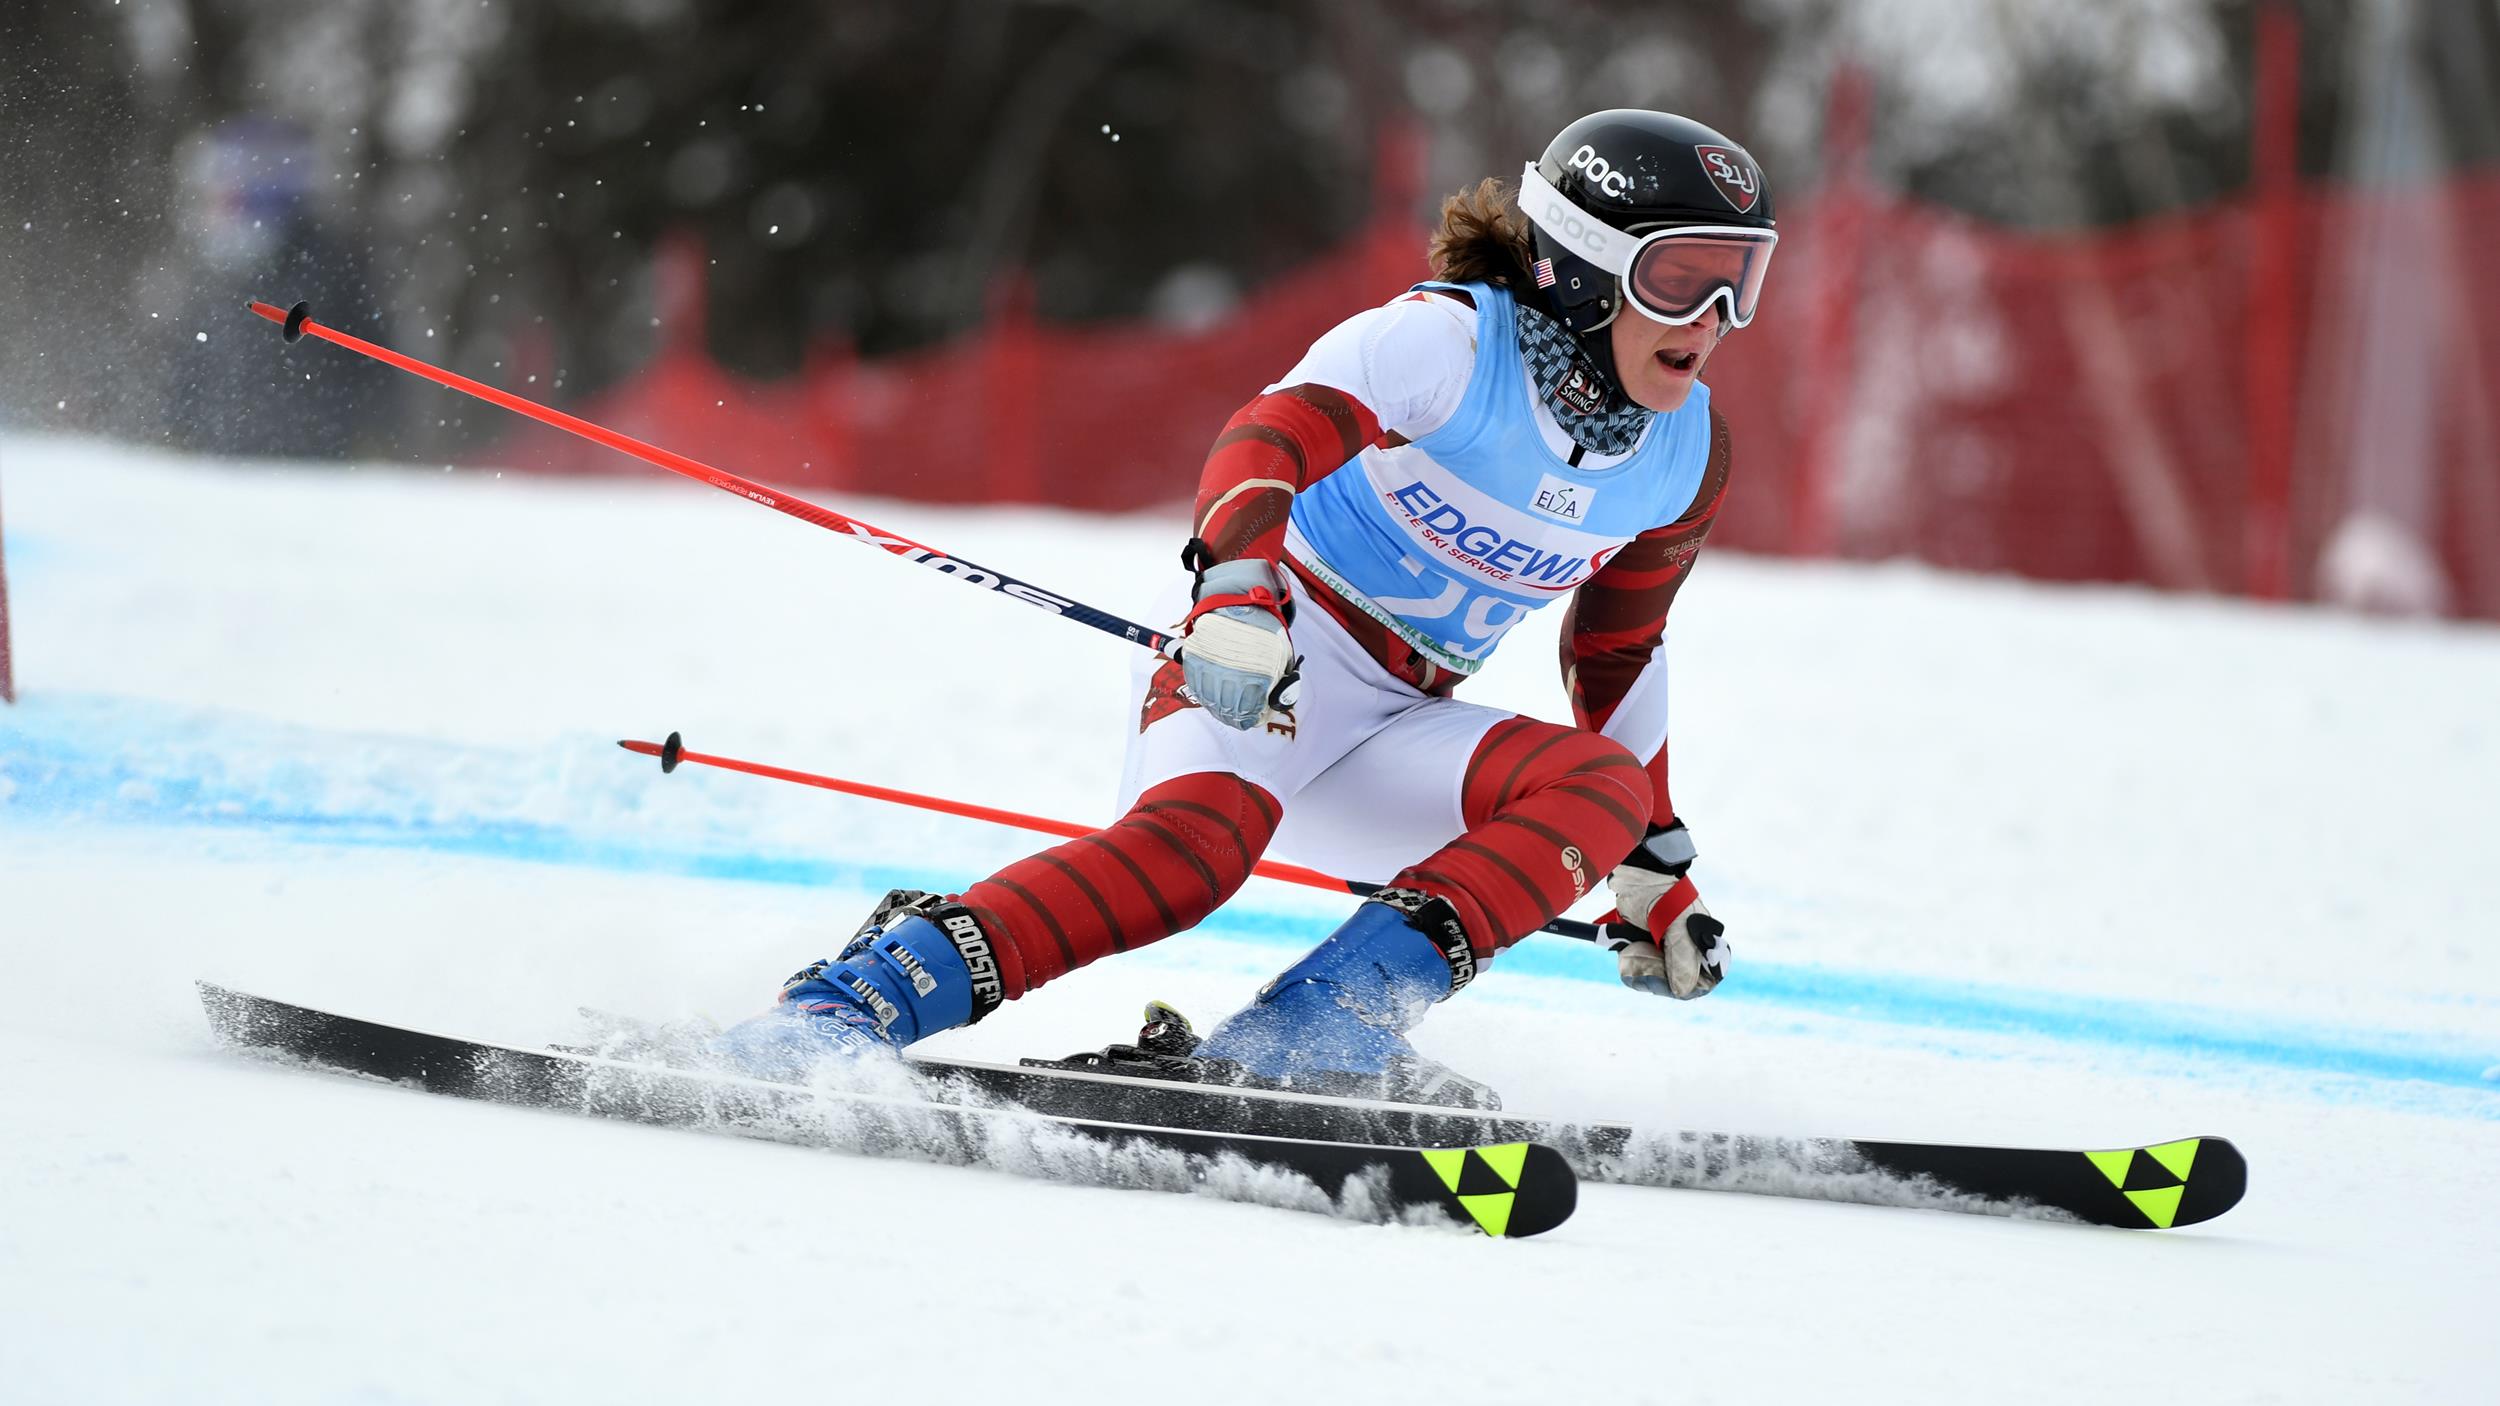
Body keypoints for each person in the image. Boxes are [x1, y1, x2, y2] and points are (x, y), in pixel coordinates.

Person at [719, 110, 1773, 1105]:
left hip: (1399, 723)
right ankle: (847, 1002)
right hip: (1267, 656)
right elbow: (1265, 439)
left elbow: (1620, 645)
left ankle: (1314, 1032)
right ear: (1579, 267)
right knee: (1185, 862)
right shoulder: (1445, 344)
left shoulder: (1688, 452)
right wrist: (1235, 595)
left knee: (1602, 785)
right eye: (1679, 280)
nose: (1715, 321)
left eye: (1740, 282)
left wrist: (1652, 860)